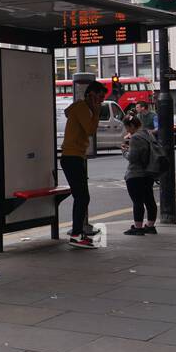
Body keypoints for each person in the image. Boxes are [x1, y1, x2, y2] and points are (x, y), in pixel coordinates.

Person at [60, 81, 107, 248]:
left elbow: (70, 114)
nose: (101, 101)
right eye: (99, 96)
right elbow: (90, 130)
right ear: (90, 95)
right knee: (82, 197)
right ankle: (76, 235)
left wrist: (93, 110)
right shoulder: (82, 108)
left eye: (103, 98)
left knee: (82, 197)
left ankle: (77, 233)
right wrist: (95, 111)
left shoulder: (80, 107)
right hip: (72, 157)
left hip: (75, 157)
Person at [120, 114, 158, 236]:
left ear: (131, 126)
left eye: (127, 128)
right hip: (149, 172)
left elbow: (133, 158)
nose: (127, 131)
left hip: (136, 174)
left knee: (137, 201)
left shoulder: (136, 137)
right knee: (149, 199)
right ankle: (150, 226)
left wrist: (125, 151)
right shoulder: (148, 134)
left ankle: (138, 227)